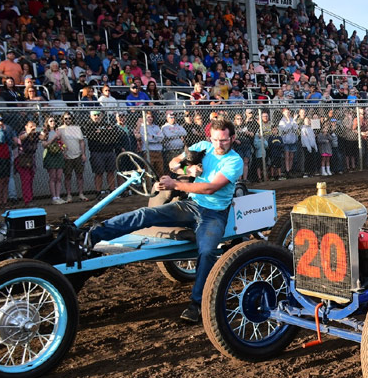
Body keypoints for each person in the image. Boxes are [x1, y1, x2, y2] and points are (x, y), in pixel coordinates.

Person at [87, 118, 244, 323]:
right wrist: (187, 171)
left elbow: (210, 188)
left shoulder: (234, 160)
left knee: (207, 251)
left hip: (214, 212)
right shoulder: (204, 147)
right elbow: (173, 163)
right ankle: (92, 236)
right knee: (146, 214)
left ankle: (196, 305)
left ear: (232, 138)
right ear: (210, 137)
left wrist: (175, 184)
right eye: (215, 140)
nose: (219, 144)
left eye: (223, 140)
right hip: (191, 205)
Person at [58, 112, 88, 202]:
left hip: (77, 154)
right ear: (63, 119)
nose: (68, 120)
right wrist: (63, 153)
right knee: (67, 176)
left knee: (80, 175)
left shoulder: (76, 128)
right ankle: (69, 195)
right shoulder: (59, 129)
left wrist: (83, 154)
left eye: (69, 118)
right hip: (67, 156)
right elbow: (59, 142)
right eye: (66, 118)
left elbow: (82, 141)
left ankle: (81, 193)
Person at [40, 115, 67, 204]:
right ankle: (54, 197)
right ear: (47, 122)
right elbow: (44, 144)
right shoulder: (45, 132)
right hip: (50, 155)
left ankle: (58, 196)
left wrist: (64, 151)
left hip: (58, 154)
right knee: (53, 177)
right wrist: (54, 138)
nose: (53, 123)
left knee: (59, 177)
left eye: (54, 121)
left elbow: (62, 143)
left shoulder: (58, 131)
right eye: (51, 121)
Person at [14, 121, 40, 206]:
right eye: (30, 126)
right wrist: (28, 133)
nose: (32, 128)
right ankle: (27, 200)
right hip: (22, 158)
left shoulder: (35, 135)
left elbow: (43, 137)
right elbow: (19, 139)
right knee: (26, 179)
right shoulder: (23, 133)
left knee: (30, 179)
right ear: (26, 127)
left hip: (30, 159)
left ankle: (30, 198)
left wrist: (43, 131)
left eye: (34, 127)